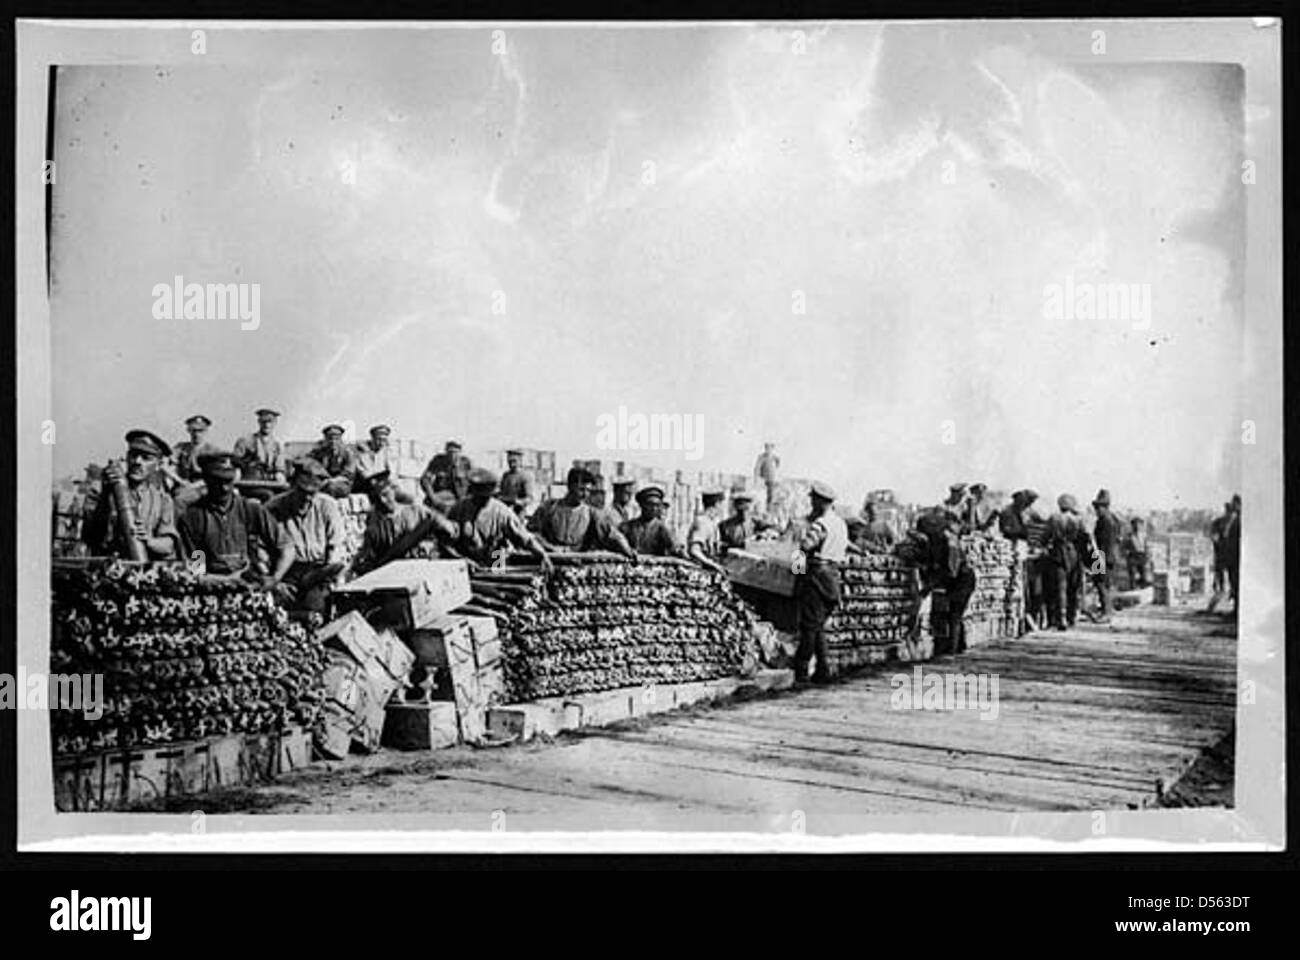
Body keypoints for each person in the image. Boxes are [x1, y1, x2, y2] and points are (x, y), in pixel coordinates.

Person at [175, 451, 295, 596]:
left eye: (228, 481)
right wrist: (228, 581)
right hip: (212, 589)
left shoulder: (250, 509)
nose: (224, 488)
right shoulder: (193, 517)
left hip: (250, 583)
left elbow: (286, 547)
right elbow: (197, 572)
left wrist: (274, 578)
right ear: (206, 480)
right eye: (217, 482)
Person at [264, 459, 348, 614]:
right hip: (286, 571)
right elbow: (261, 550)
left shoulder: (327, 506)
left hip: (317, 570)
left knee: (314, 610)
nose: (307, 498)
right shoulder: (273, 508)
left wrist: (329, 578)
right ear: (292, 487)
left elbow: (335, 546)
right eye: (302, 492)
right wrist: (275, 581)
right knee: (276, 611)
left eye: (312, 493)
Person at [82, 430, 180, 560]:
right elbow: (89, 535)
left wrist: (149, 541)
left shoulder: (163, 500)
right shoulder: (100, 491)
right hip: (108, 568)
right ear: (127, 457)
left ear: (158, 465)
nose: (137, 461)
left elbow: (168, 544)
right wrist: (106, 495)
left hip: (144, 570)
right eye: (133, 455)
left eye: (146, 458)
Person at [791, 480, 848, 684]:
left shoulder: (820, 525)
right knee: (818, 627)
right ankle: (823, 669)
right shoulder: (840, 524)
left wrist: (797, 572)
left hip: (816, 577)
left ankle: (801, 670)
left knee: (808, 627)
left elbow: (804, 548)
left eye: (813, 500)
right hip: (833, 577)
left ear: (819, 502)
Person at [352, 470, 459, 575]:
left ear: (393, 492)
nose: (382, 501)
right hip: (395, 578)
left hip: (422, 570)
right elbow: (367, 561)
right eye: (376, 498)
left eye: (385, 494)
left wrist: (447, 527)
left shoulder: (416, 512)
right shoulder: (374, 529)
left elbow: (451, 530)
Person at [447, 468, 553, 571]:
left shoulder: (502, 512)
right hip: (466, 563)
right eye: (478, 496)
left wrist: (542, 555)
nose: (481, 500)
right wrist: (460, 559)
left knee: (498, 582)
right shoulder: (459, 509)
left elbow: (525, 538)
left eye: (486, 497)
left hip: (496, 558)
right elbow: (445, 542)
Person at [529, 466, 636, 558]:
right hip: (549, 558)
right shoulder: (549, 508)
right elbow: (531, 533)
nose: (585, 494)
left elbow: (611, 534)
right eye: (581, 489)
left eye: (588, 491)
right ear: (570, 486)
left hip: (577, 562)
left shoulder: (591, 513)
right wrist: (550, 548)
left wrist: (628, 550)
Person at [1043, 494, 1093, 630]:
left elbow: (1045, 537)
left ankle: (1061, 618)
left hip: (1058, 554)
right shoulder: (1079, 519)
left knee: (1060, 587)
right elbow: (1086, 538)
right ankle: (1072, 617)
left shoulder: (1054, 518)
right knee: (1073, 587)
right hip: (1075, 554)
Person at [232, 408, 288, 500]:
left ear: (275, 424)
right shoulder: (246, 441)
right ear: (259, 422)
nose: (267, 425)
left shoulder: (277, 446)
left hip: (269, 482)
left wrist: (280, 477)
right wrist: (235, 483)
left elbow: (279, 469)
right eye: (264, 422)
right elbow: (236, 464)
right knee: (268, 495)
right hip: (250, 483)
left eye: (270, 422)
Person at [1088, 488, 1124, 623]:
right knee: (1106, 584)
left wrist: (1098, 559)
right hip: (1110, 556)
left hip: (1102, 555)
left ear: (1104, 507)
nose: (1097, 511)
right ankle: (1107, 610)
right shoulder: (1114, 519)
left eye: (1098, 507)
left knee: (1100, 583)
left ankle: (1106, 613)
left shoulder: (1104, 520)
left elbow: (1103, 542)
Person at [620, 485, 684, 557]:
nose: (654, 508)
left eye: (657, 505)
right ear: (641, 505)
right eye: (650, 504)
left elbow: (675, 547)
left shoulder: (662, 528)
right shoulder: (628, 527)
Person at [310, 424, 359, 498]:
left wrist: (331, 480)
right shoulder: (319, 452)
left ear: (341, 439)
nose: (333, 442)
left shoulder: (348, 453)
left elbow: (349, 473)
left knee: (331, 488)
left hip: (342, 483)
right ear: (325, 439)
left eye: (336, 439)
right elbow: (310, 464)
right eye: (330, 438)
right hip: (323, 482)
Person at [686, 488, 726, 573]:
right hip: (701, 570)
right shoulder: (703, 522)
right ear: (716, 504)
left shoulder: (711, 522)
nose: (722, 508)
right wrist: (713, 565)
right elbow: (694, 551)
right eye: (721, 504)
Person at [172, 415, 216, 483]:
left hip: (204, 487)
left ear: (206, 431)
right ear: (189, 430)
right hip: (182, 484)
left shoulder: (213, 451)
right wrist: (179, 480)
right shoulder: (181, 448)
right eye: (194, 431)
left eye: (200, 431)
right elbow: (167, 465)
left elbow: (214, 475)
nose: (197, 434)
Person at [499, 449, 537, 517]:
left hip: (518, 512)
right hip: (504, 510)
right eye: (509, 461)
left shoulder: (526, 476)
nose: (512, 464)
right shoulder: (506, 475)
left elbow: (529, 498)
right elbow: (501, 492)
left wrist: (518, 502)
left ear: (520, 461)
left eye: (514, 461)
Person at [1209, 501, 1232, 594]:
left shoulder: (1224, 521)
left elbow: (1214, 535)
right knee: (1220, 569)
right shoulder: (1220, 522)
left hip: (1223, 550)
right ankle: (1219, 586)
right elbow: (1214, 536)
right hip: (1221, 550)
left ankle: (1220, 586)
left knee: (1220, 569)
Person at [1222, 494, 1241, 611]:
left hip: (1235, 557)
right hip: (1231, 558)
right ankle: (1236, 608)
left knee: (1236, 583)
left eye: (1234, 504)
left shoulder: (1239, 520)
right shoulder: (1234, 520)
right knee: (1233, 583)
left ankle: (1237, 609)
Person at [753, 443, 781, 512]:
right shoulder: (762, 457)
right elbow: (757, 468)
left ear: (772, 449)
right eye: (767, 448)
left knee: (771, 497)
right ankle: (763, 509)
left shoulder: (775, 458)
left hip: (772, 480)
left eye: (770, 448)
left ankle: (769, 509)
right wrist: (757, 478)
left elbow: (778, 465)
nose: (768, 450)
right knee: (762, 497)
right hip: (763, 479)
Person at [1124, 517, 1150, 588]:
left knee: (1143, 574)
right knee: (1132, 574)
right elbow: (1124, 546)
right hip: (1133, 556)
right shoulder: (1129, 536)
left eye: (1138, 524)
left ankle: (1143, 587)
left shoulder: (1144, 535)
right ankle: (1133, 587)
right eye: (1135, 525)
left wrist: (1147, 556)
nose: (1137, 527)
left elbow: (1146, 546)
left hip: (1142, 556)